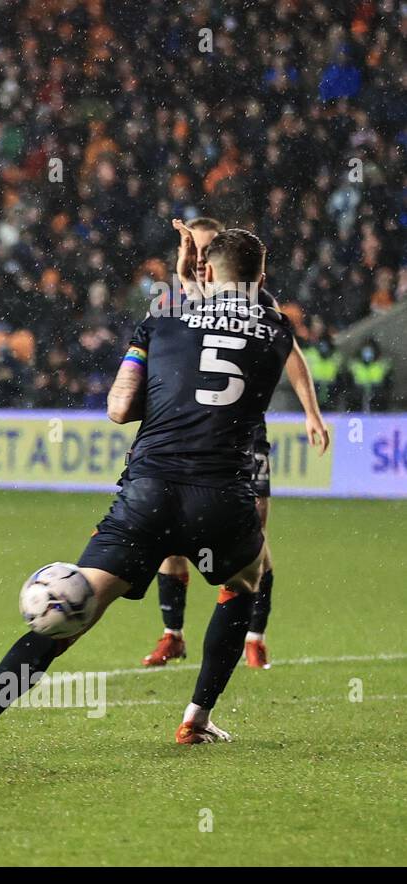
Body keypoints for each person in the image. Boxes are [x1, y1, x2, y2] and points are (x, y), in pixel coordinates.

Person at [0, 229, 293, 755]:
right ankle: (196, 718)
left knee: (70, 610)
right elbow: (229, 322)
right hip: (220, 497)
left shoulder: (162, 317)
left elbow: (119, 408)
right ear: (262, 279)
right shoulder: (276, 327)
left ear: (204, 273)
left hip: (147, 491)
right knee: (245, 582)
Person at [144, 218, 330, 670]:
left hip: (245, 437)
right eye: (197, 252)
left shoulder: (256, 303)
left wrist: (311, 412)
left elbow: (292, 351)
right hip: (196, 436)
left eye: (208, 251)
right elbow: (187, 290)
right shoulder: (191, 298)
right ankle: (173, 633)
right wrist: (182, 265)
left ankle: (254, 633)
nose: (202, 261)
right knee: (171, 536)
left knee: (255, 535)